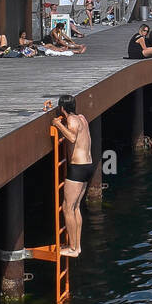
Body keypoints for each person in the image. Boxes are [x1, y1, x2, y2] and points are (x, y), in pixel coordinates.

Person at [44, 95, 90, 258]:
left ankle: (72, 248)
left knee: (67, 207)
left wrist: (57, 124)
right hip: (87, 166)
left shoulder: (71, 120)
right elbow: (76, 130)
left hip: (77, 167)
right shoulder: (81, 118)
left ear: (62, 109)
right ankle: (77, 247)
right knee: (76, 207)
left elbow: (71, 137)